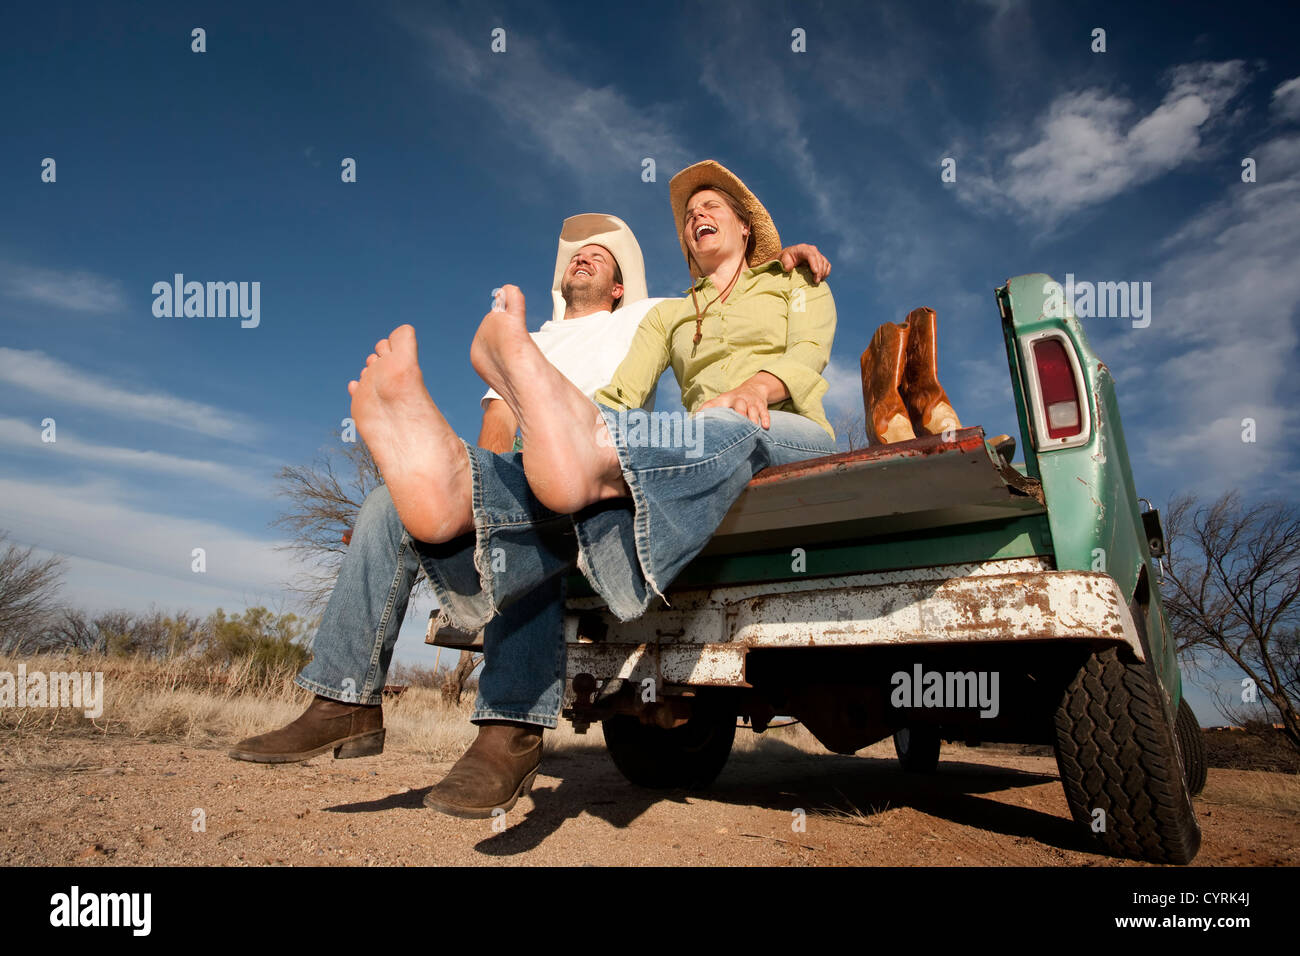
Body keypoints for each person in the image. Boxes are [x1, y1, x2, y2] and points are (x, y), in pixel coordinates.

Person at [229, 204, 830, 817]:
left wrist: (784, 270)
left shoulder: (669, 306)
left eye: (714, 209)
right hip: (568, 456)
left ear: (623, 285)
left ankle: (508, 728)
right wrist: (469, 491)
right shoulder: (610, 328)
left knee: (631, 461)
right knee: (402, 503)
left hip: (720, 432)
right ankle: (344, 695)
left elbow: (801, 353)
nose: (584, 254)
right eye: (690, 212)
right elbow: (583, 405)